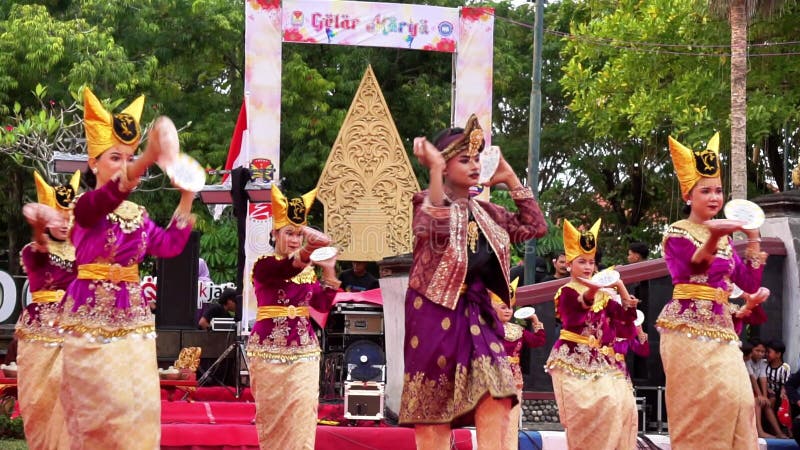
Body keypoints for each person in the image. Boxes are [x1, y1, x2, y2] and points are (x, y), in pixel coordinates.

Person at [399, 114, 547, 449]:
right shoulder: (425, 200)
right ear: (445, 167)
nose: (475, 165)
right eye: (463, 159)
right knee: (434, 411)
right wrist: (435, 170)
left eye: (477, 158)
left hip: (478, 315)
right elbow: (430, 223)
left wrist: (509, 177)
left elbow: (535, 227)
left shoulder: (489, 213)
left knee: (496, 394)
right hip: (434, 315)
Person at [58, 87, 195, 449]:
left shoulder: (138, 216)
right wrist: (147, 158)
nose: (123, 165)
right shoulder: (84, 207)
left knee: (138, 412)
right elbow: (104, 200)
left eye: (128, 157)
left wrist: (187, 195)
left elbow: (168, 246)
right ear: (94, 163)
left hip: (133, 324)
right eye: (115, 158)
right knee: (100, 416)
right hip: (90, 323)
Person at [656, 132, 767, 449]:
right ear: (689, 195)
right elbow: (693, 269)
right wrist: (714, 236)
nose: (714, 197)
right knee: (703, 409)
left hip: (722, 329)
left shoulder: (727, 239)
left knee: (740, 402)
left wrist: (754, 237)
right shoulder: (677, 232)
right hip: (687, 328)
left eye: (718, 190)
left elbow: (748, 283)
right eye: (705, 190)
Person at [248, 185, 340, 450]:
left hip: (304, 354)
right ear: (274, 233)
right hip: (268, 355)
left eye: (299, 234)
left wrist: (330, 273)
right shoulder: (264, 265)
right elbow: (286, 267)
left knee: (302, 417)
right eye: (289, 233)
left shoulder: (307, 272)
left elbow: (321, 304)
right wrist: (310, 250)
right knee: (274, 421)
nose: (295, 240)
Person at [545, 218, 638, 449]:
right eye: (582, 262)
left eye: (591, 262)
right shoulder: (566, 291)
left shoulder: (605, 294)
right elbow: (573, 318)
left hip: (599, 359)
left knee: (622, 407)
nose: (588, 267)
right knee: (589, 413)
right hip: (572, 356)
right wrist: (591, 292)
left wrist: (621, 289)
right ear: (569, 264)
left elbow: (625, 324)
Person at [16, 170, 80, 450]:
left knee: (73, 389)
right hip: (41, 330)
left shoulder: (81, 253)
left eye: (68, 217)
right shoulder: (33, 250)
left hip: (74, 327)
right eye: (58, 218)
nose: (64, 224)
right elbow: (42, 246)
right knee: (40, 395)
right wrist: (38, 228)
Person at [490, 278, 546, 450]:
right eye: (503, 307)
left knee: (511, 421)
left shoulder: (518, 330)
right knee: (492, 420)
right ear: (493, 308)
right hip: (492, 378)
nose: (508, 311)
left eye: (510, 307)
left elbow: (538, 341)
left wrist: (535, 319)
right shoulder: (487, 328)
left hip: (515, 380)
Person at [765, 340, 791, 438]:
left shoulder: (785, 367)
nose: (766, 354)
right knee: (772, 400)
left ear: (778, 354)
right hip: (767, 393)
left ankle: (788, 429)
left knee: (785, 400)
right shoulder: (764, 364)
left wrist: (782, 393)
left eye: (769, 352)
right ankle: (773, 429)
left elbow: (785, 384)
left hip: (780, 393)